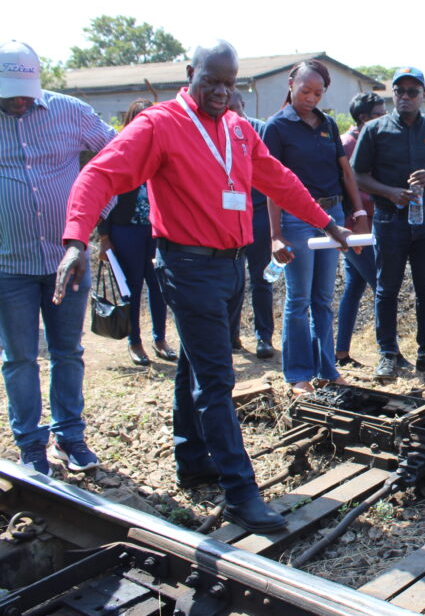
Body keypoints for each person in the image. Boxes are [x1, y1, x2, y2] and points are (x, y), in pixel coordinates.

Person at [57, 40, 354, 533]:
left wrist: (328, 223)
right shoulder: (158, 125)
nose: (220, 92)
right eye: (211, 81)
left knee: (195, 363)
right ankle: (241, 492)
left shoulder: (238, 129)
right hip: (187, 267)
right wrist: (75, 238)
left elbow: (277, 178)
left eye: (229, 83)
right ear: (191, 72)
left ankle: (192, 460)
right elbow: (100, 174)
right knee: (217, 381)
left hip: (231, 265)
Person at [0, 39, 116, 475]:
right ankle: (31, 445)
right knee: (19, 358)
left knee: (68, 352)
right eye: (7, 92)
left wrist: (90, 225)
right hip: (9, 266)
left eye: (22, 92)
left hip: (69, 258)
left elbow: (115, 158)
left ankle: (70, 437)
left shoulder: (70, 112)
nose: (16, 101)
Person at [264, 60, 368, 394]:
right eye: (305, 90)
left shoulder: (327, 125)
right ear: (292, 84)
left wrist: (359, 212)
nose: (311, 98)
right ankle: (297, 374)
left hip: (332, 215)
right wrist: (275, 235)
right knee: (299, 299)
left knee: (324, 298)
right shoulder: (277, 127)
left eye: (318, 93)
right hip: (296, 220)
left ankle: (326, 368)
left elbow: (346, 172)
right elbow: (272, 183)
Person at [352, 67, 425, 382]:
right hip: (389, 219)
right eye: (400, 91)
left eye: (413, 91)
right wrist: (388, 192)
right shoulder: (375, 130)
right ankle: (388, 354)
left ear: (424, 95)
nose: (406, 97)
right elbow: (358, 175)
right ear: (393, 94)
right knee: (386, 288)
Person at [97, 99, 178, 367]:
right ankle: (135, 341)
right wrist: (104, 238)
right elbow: (104, 197)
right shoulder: (119, 151)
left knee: (159, 286)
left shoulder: (163, 149)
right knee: (131, 287)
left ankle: (160, 339)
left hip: (155, 231)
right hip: (126, 231)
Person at [335, 92, 387, 369]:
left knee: (354, 287)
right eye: (379, 114)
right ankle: (386, 353)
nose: (385, 118)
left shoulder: (372, 141)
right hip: (354, 227)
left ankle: (340, 353)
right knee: (381, 287)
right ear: (364, 118)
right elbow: (344, 186)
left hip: (370, 224)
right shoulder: (347, 144)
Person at [226, 91, 274, 360]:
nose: (232, 113)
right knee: (232, 278)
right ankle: (231, 335)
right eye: (227, 109)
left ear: (243, 106)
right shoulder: (217, 132)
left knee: (262, 277)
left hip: (258, 213)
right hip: (229, 214)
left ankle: (263, 336)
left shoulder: (261, 131)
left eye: (236, 108)